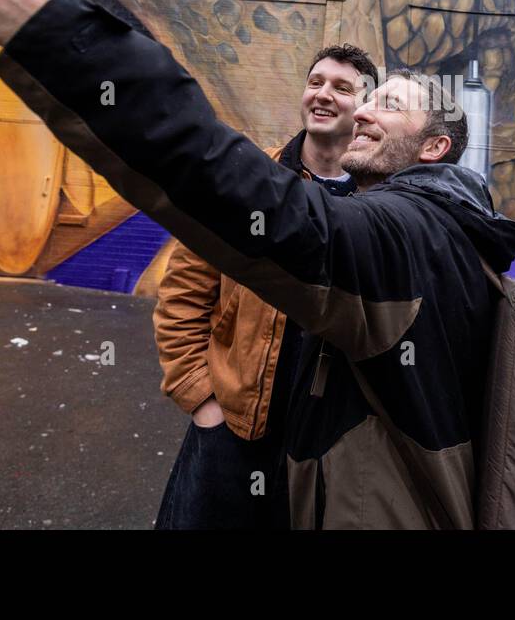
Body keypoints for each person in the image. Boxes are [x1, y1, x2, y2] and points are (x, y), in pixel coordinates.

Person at [0, 0, 515, 528]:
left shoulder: (407, 230)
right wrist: (202, 396)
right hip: (252, 443)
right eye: (321, 83)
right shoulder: (438, 220)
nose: (349, 108)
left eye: (381, 102)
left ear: (433, 148)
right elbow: (193, 281)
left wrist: (54, 29)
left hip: (323, 475)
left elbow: (240, 193)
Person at [154, 43, 376, 530]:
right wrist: (201, 400)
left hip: (320, 444)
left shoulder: (377, 205)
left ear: (365, 107)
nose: (323, 95)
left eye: (342, 88)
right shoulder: (248, 181)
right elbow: (183, 293)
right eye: (315, 82)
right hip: (233, 427)